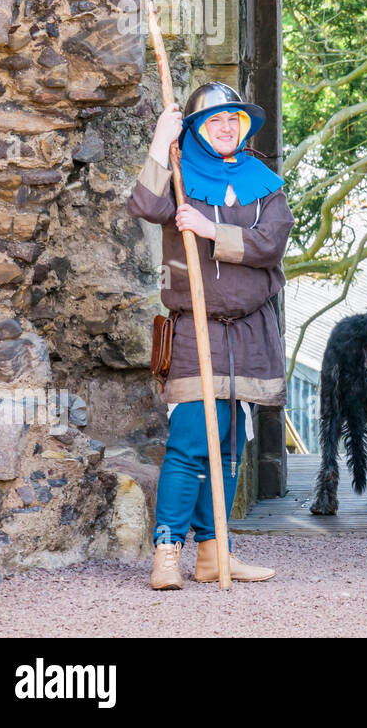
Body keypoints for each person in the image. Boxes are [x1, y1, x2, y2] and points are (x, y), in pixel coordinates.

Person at [128, 82, 291, 589]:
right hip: (196, 329)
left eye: (232, 119)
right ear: (196, 129)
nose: (225, 127)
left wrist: (208, 228)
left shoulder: (263, 180)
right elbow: (143, 204)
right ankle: (167, 552)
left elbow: (271, 243)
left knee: (226, 446)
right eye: (213, 120)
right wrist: (160, 139)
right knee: (190, 442)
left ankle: (213, 552)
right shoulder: (177, 175)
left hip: (250, 332)